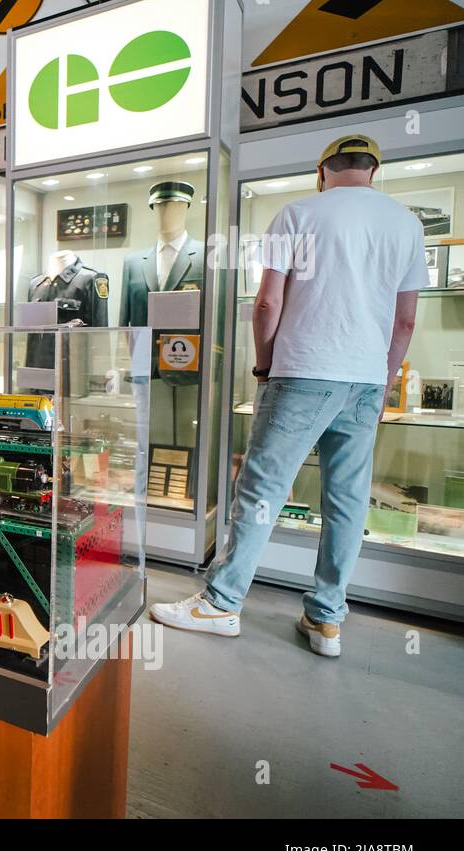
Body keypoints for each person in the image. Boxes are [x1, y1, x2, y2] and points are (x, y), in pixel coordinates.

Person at [150, 135, 429, 657]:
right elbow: (406, 317)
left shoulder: (297, 214)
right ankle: (326, 620)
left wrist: (263, 364)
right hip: (366, 379)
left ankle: (221, 603)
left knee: (262, 490)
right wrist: (384, 377)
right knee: (346, 500)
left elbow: (266, 303)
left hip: (303, 370)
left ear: (321, 170)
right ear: (374, 170)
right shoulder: (406, 224)